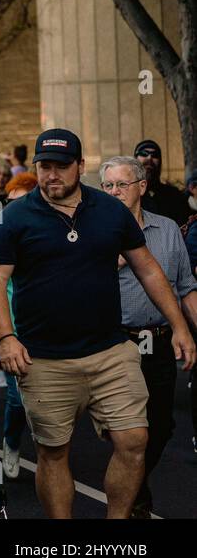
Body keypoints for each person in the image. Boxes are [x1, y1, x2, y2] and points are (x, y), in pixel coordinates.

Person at [0, 128, 196, 519]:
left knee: (135, 440)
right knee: (53, 451)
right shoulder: (15, 217)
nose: (52, 175)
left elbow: (147, 268)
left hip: (110, 351)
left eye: (62, 167)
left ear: (80, 167)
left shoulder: (109, 210)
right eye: (45, 166)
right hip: (44, 358)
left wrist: (179, 326)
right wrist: (6, 337)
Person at [100, 155, 197, 517]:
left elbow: (186, 287)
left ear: (141, 187)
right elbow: (75, 287)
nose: (114, 192)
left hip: (157, 339)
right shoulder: (95, 235)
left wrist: (188, 331)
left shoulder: (168, 229)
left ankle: (131, 485)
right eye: (107, 185)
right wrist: (113, 262)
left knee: (161, 426)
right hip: (115, 343)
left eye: (121, 184)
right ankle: (133, 502)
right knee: (127, 431)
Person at [0, 172, 36, 480]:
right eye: (10, 202)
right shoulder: (1, 235)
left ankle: (50, 454)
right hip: (12, 329)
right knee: (17, 399)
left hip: (44, 329)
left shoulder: (45, 233)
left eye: (22, 202)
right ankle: (12, 441)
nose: (14, 209)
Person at [134, 139, 190, 226]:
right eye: (144, 154)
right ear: (135, 159)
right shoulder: (128, 193)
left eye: (155, 155)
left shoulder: (174, 195)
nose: (149, 158)